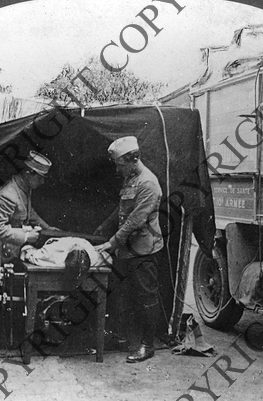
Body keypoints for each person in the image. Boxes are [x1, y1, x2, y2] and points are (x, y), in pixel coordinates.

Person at [94, 136, 164, 363]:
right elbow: (122, 209)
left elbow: (135, 220)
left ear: (133, 159)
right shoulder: (131, 178)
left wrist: (111, 242)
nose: (117, 169)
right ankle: (121, 337)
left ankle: (147, 345)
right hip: (126, 249)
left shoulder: (148, 183)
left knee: (146, 297)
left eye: (120, 165)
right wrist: (105, 225)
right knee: (122, 294)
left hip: (143, 250)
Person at [0, 151, 59, 263]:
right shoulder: (8, 195)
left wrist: (47, 228)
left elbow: (28, 211)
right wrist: (26, 236)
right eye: (39, 178)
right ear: (28, 173)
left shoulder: (24, 187)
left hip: (12, 251)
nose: (42, 182)